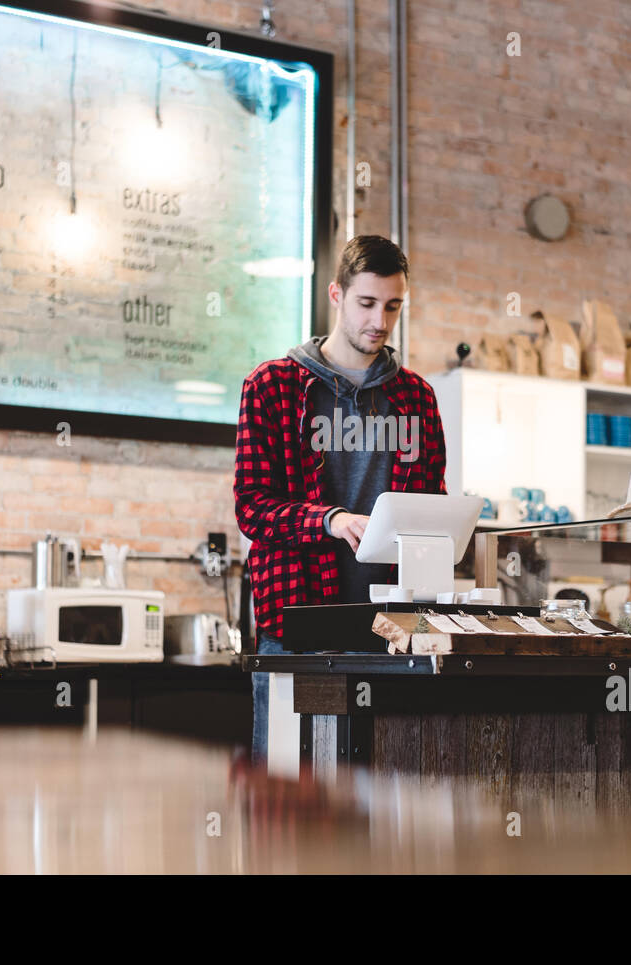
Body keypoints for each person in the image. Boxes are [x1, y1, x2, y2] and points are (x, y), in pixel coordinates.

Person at [234, 235, 447, 761]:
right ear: (336, 294)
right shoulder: (271, 386)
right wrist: (330, 521)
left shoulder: (416, 398)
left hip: (392, 627)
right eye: (367, 303)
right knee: (288, 786)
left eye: (393, 306)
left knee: (383, 789)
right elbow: (252, 506)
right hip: (297, 622)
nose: (380, 320)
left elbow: (431, 507)